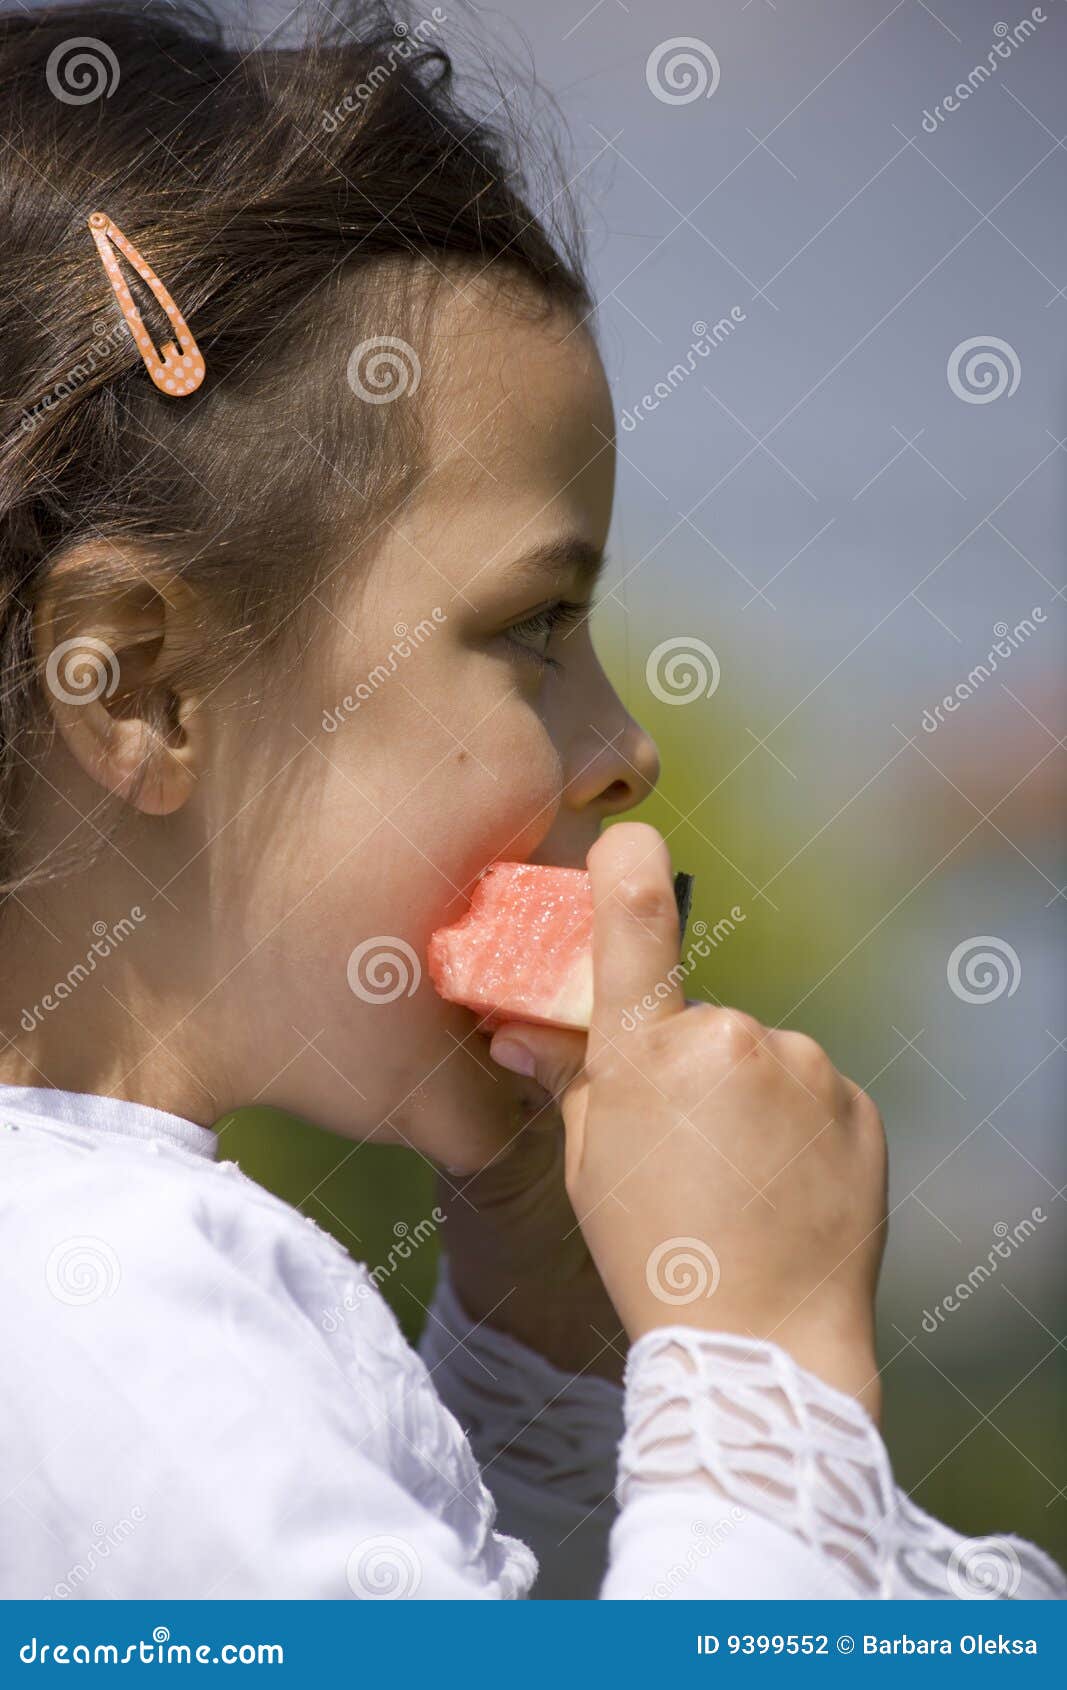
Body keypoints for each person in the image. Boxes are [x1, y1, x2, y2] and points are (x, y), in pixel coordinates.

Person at [0, 0, 1061, 1602]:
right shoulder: (139, 1312)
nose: (628, 745)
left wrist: (540, 1322)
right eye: (534, 628)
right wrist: (763, 1366)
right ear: (139, 690)